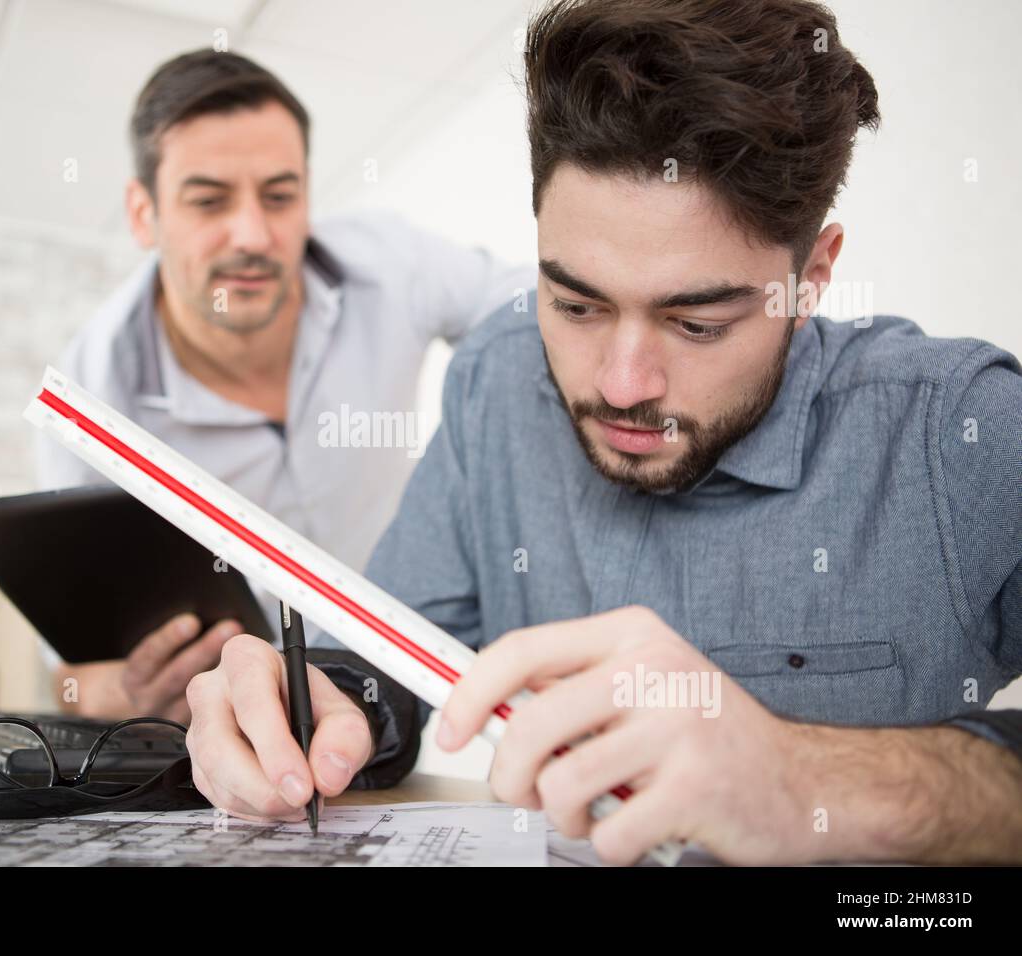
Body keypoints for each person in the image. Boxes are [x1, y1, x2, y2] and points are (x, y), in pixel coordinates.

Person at [183, 0, 1022, 864]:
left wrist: (810, 774)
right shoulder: (496, 385)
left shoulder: (959, 429)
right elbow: (390, 660)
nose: (621, 385)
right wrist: (311, 702)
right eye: (576, 304)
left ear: (810, 280)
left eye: (698, 324)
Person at [35, 50, 530, 724]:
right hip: (236, 738)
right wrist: (130, 692)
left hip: (404, 706)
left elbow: (541, 316)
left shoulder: (395, 263)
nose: (254, 235)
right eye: (209, 201)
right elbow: (77, 671)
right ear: (142, 212)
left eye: (279, 195)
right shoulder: (90, 403)